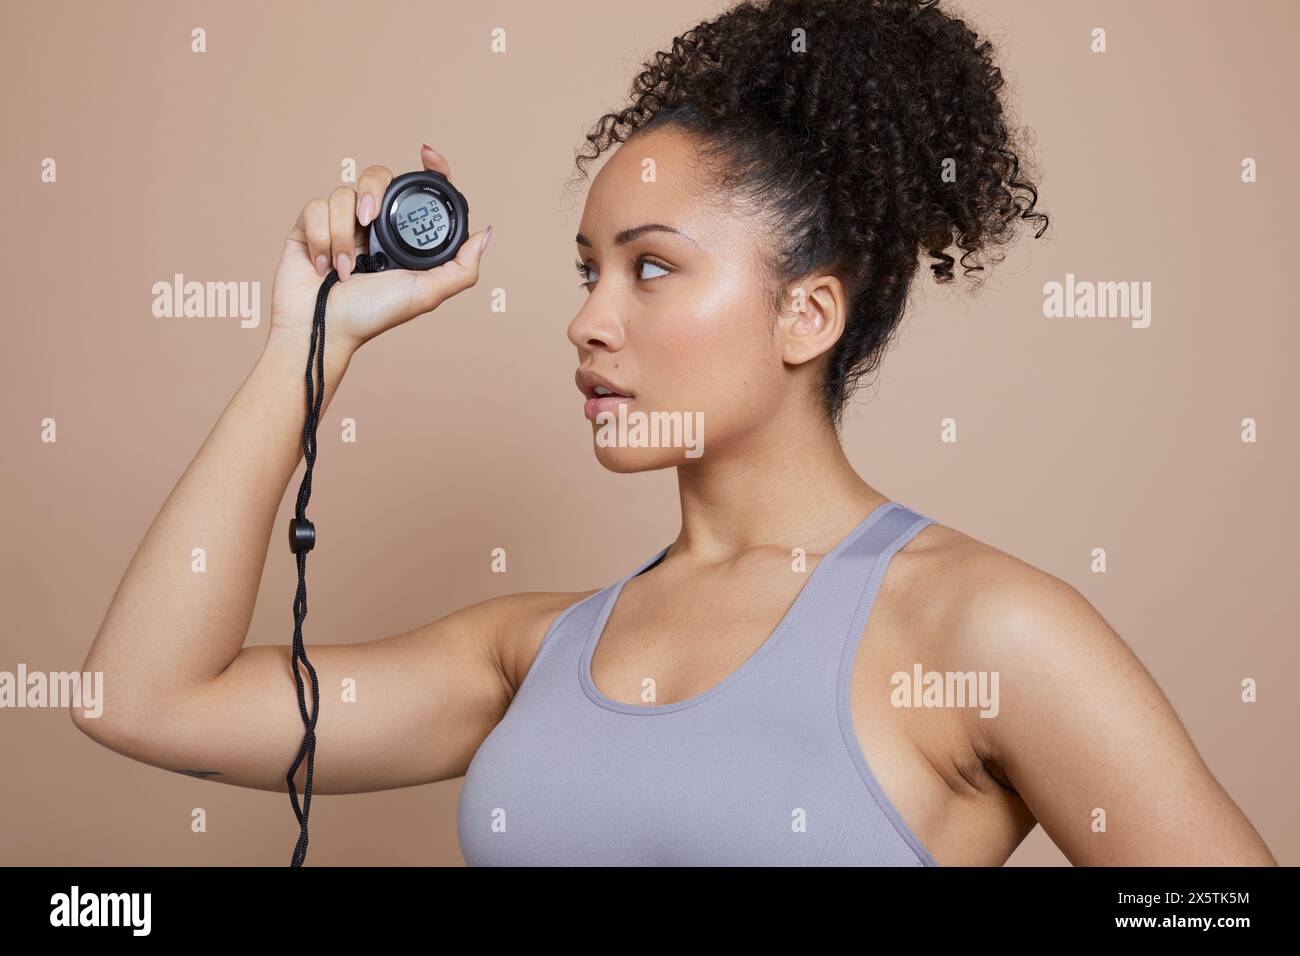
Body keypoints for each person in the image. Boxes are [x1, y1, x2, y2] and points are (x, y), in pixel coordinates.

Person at [72, 0, 1277, 866]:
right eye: (589, 269)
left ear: (807, 311)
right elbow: (141, 699)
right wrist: (308, 340)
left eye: (651, 269)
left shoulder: (981, 626)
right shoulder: (528, 653)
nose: (587, 321)